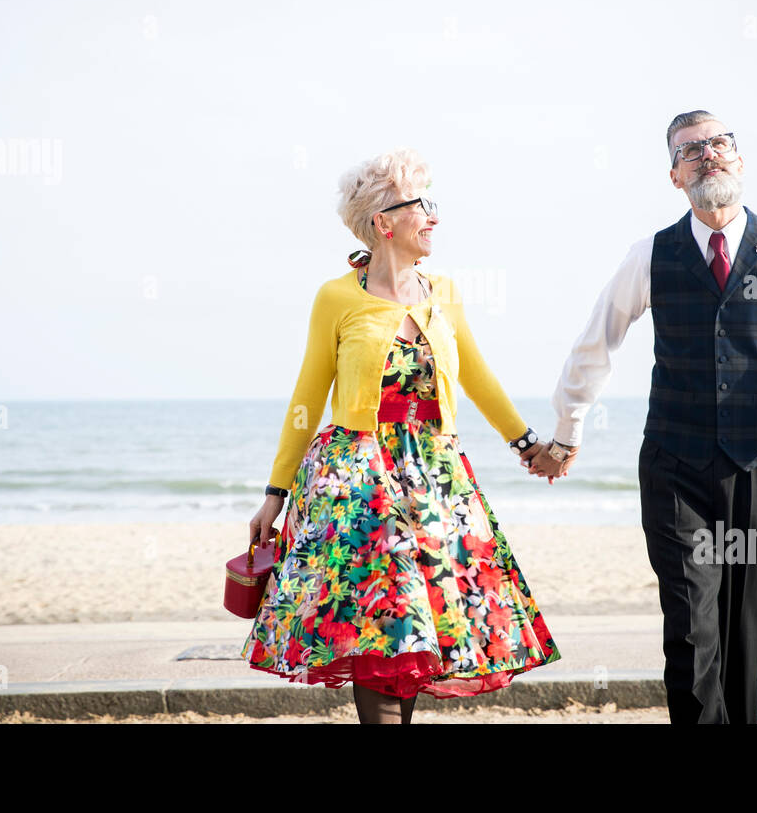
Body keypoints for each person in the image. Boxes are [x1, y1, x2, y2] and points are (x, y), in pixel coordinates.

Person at [528, 110, 757, 723]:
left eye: (718, 143)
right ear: (675, 176)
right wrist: (566, 435)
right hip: (676, 469)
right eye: (689, 150)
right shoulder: (651, 255)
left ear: (739, 159)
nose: (707, 154)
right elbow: (595, 346)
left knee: (742, 636)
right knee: (692, 630)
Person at [240, 147, 561, 724]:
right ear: (383, 221)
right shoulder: (337, 297)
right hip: (358, 481)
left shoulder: (445, 292)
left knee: (418, 632)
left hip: (436, 479)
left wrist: (526, 442)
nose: (434, 217)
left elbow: (478, 378)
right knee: (390, 624)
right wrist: (275, 492)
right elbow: (306, 400)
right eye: (423, 205)